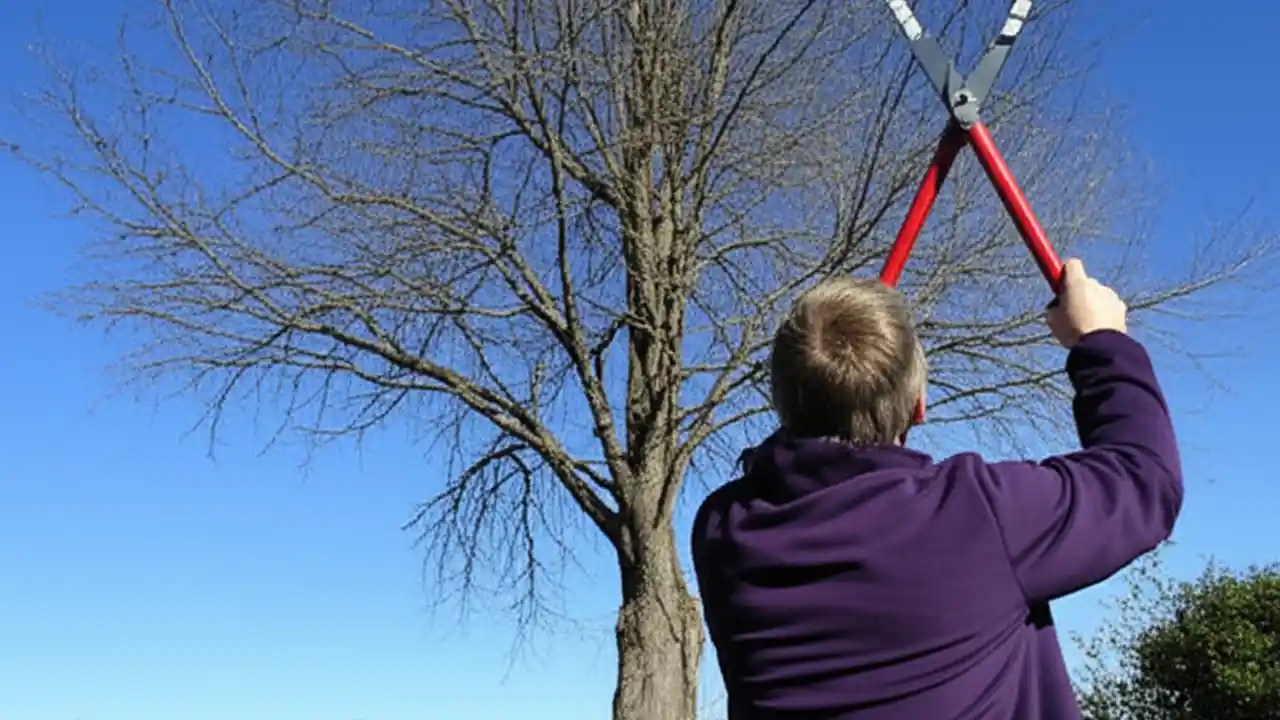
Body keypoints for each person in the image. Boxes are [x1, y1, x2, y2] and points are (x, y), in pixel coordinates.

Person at [690, 258, 1182, 719]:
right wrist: (1101, 340)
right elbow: (1145, 477)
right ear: (919, 405)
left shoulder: (723, 532)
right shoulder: (979, 516)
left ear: (780, 400)